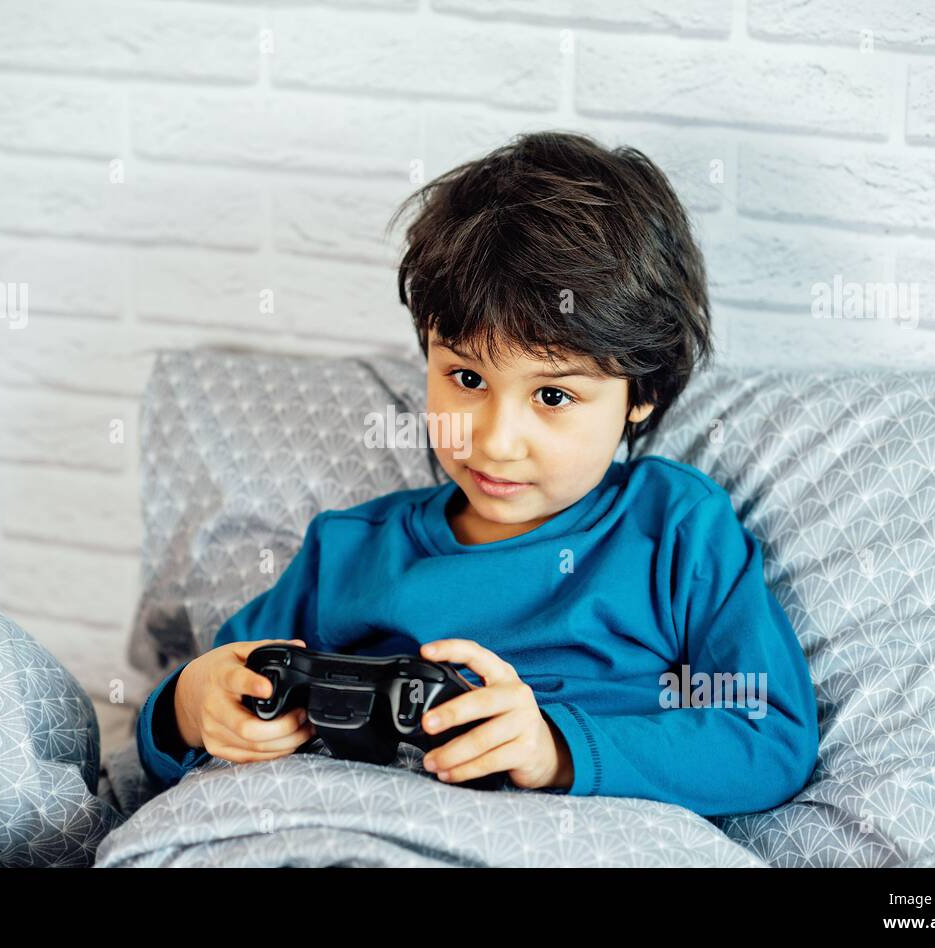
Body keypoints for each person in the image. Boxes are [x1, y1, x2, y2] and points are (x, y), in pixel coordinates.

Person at [136, 131, 820, 817]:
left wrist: (554, 749)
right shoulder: (349, 549)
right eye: (466, 377)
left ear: (640, 394)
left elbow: (767, 733)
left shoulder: (674, 529)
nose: (493, 440)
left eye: (552, 396)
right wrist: (189, 709)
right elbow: (212, 694)